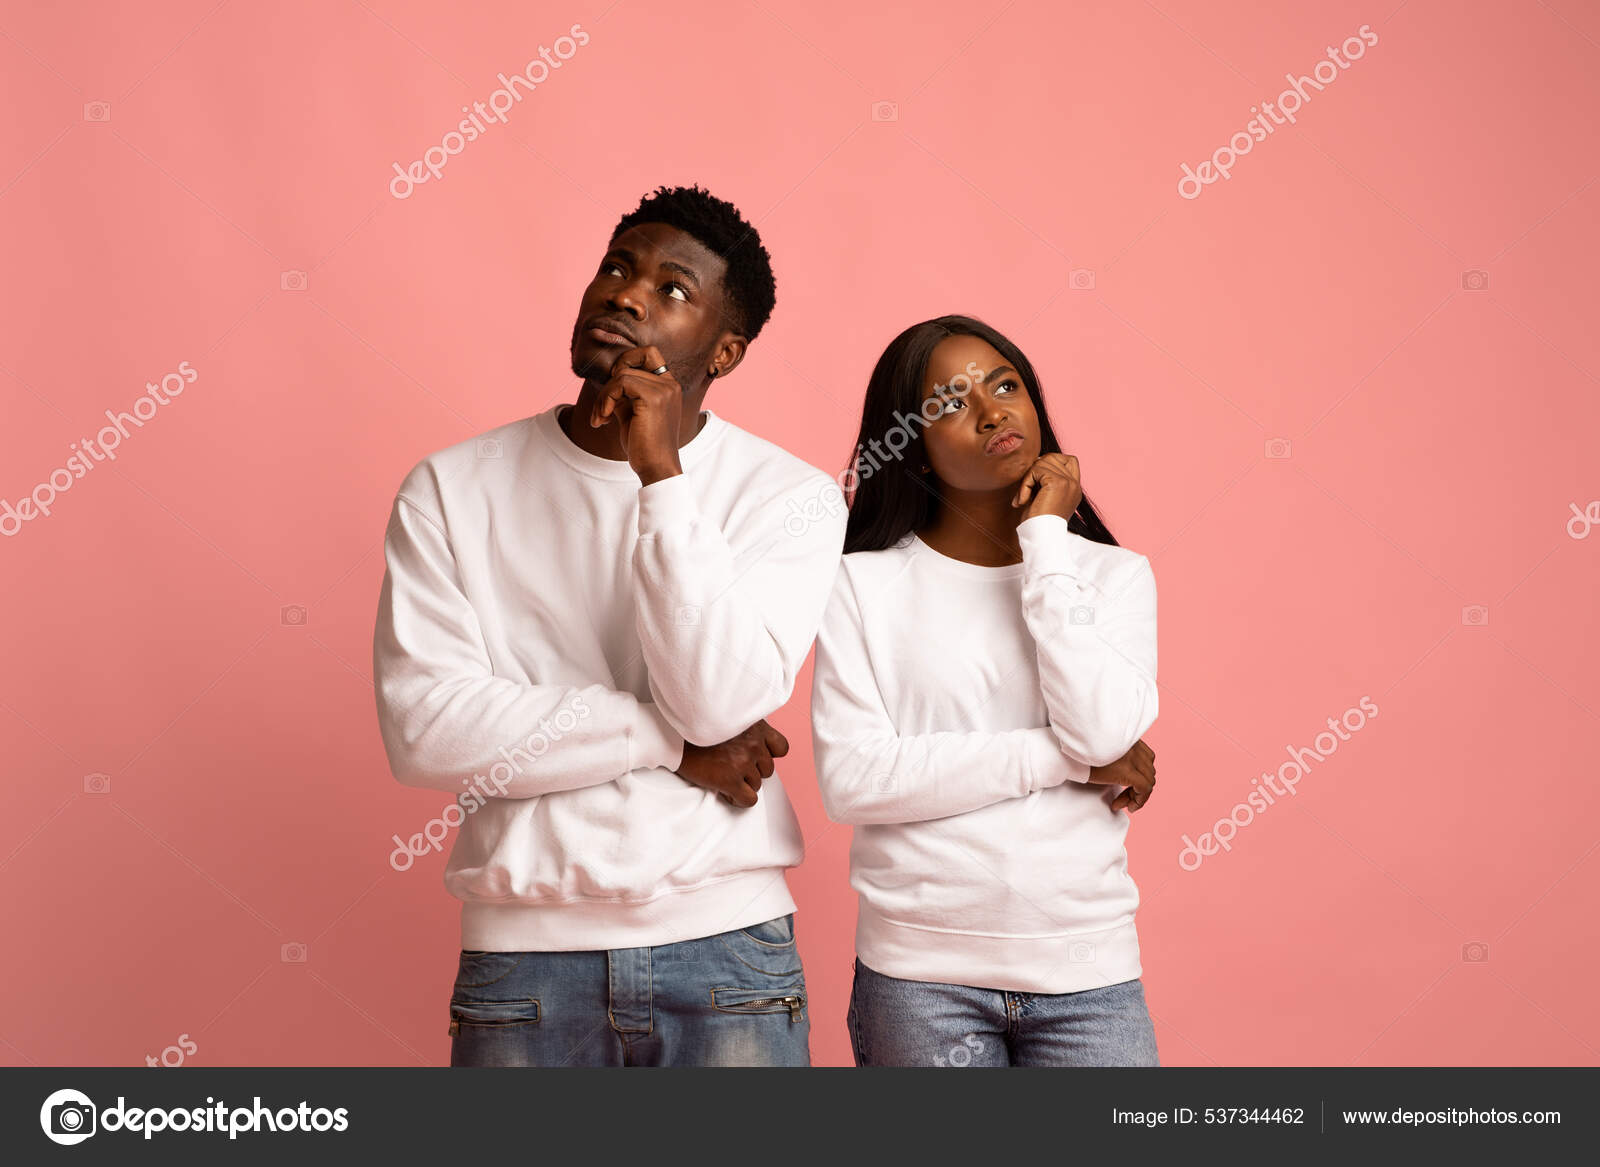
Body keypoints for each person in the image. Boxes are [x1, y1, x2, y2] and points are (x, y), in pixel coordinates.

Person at [373, 185, 846, 1066]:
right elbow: (425, 732)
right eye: (617, 267)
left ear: (727, 349)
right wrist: (666, 744)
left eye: (674, 289)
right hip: (523, 963)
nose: (625, 294)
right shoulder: (450, 487)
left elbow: (716, 704)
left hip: (729, 952)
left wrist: (661, 476)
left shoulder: (793, 498)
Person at [810, 314, 1161, 1067]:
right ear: (914, 448)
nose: (993, 410)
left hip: (1088, 974)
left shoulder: (1114, 576)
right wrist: (1061, 759)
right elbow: (854, 781)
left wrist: (1044, 543)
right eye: (950, 402)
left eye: (1006, 385)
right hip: (919, 977)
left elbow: (1102, 736)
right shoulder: (860, 585)